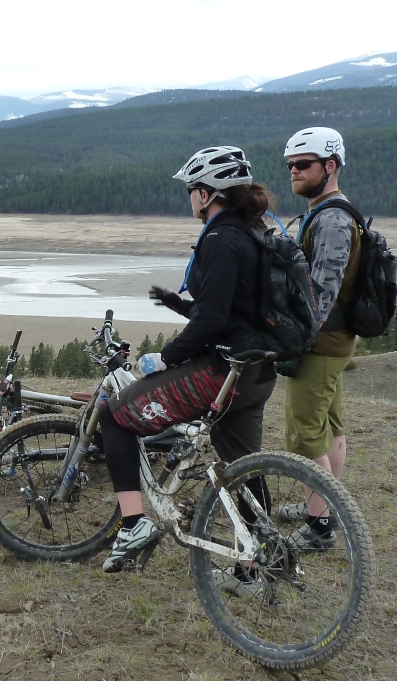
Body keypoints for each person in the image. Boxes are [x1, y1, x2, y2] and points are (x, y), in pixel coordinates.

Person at [98, 146, 276, 593]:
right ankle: (257, 566)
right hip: (255, 373)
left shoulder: (220, 238)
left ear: (205, 193)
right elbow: (232, 308)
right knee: (244, 469)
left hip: (220, 373)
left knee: (115, 417)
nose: (189, 199)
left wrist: (168, 357)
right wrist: (180, 304)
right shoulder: (255, 233)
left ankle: (133, 525)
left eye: (191, 190)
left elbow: (214, 321)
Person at [279, 127, 360, 551]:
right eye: (290, 165)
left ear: (330, 166)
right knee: (329, 428)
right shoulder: (328, 211)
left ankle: (320, 526)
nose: (294, 171)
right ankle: (323, 506)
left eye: (303, 164)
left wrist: (295, 340)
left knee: (305, 435)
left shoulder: (330, 219)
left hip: (320, 342)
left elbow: (322, 293)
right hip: (333, 341)